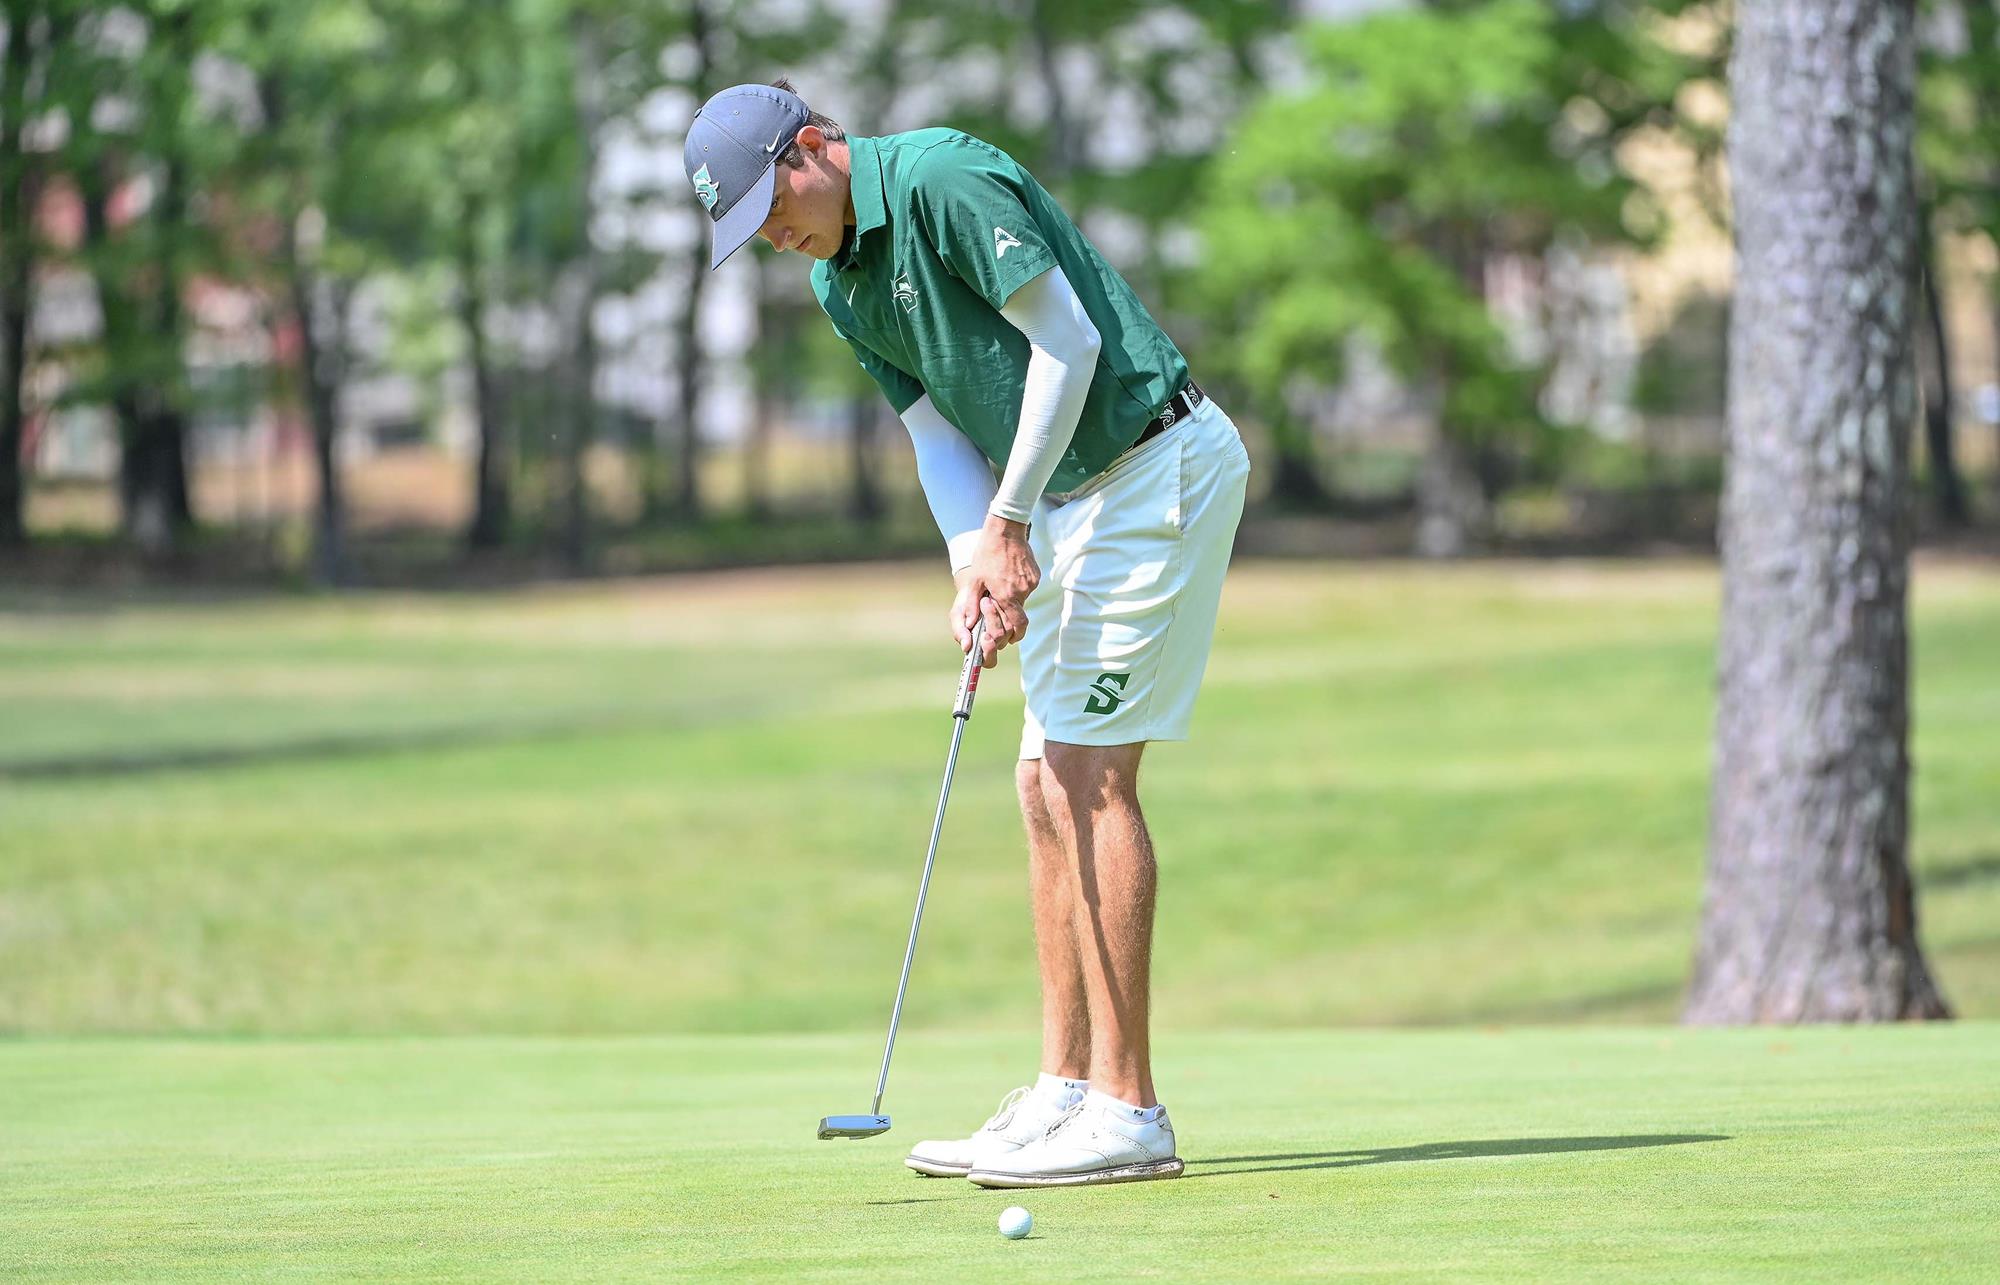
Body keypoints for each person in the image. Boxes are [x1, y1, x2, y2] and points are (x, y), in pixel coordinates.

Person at [683, 80, 1250, 1188]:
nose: (769, 238)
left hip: (1152, 463)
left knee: (1086, 775)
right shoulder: (838, 282)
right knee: (1039, 783)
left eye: (770, 206)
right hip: (1075, 496)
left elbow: (1068, 343)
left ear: (811, 148)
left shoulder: (940, 177)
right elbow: (937, 437)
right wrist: (971, 565)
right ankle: (1064, 1091)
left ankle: (1131, 1111)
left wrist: (1008, 520)